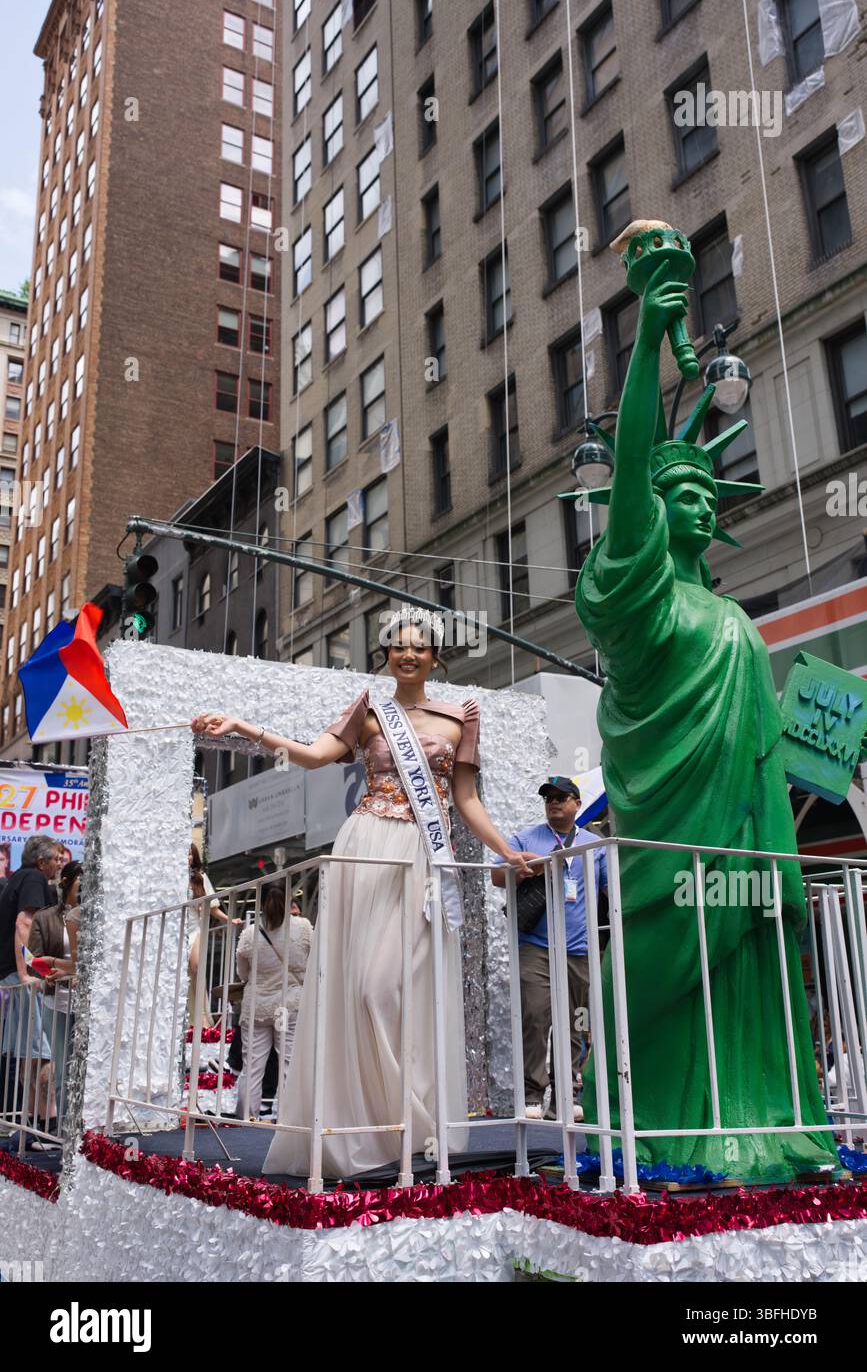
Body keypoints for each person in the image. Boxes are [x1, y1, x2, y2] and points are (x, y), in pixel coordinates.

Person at [572, 239, 841, 1181]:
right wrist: (649, 327)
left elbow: (762, 732)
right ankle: (654, 1121)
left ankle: (765, 1120)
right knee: (667, 959)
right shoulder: (639, 595)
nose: (689, 501)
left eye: (701, 493)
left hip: (752, 842)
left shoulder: (729, 612)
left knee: (755, 970)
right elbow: (640, 450)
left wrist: (801, 800)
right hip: (674, 845)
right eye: (670, 493)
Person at [192, 607, 534, 1177]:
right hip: (366, 848)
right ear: (386, 654)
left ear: (434, 655)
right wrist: (244, 728)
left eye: (419, 648)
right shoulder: (369, 709)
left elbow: (467, 800)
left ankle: (415, 1115)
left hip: (425, 855)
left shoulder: (461, 717)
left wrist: (505, 849)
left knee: (403, 985)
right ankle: (372, 1125)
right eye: (397, 646)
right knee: (360, 989)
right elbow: (312, 756)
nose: (407, 655)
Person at [492, 777, 607, 1121]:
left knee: (575, 1021)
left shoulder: (594, 843)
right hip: (536, 945)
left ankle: (567, 1094)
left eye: (561, 798)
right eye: (548, 798)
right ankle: (532, 1093)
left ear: (576, 804)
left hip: (579, 947)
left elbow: (606, 889)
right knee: (534, 1016)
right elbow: (497, 876)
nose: (553, 803)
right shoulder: (525, 839)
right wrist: (522, 868)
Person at [0, 836, 64, 1140]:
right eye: (55, 858)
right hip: (21, 978)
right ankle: (47, 1126)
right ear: (41, 862)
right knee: (43, 1052)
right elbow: (23, 924)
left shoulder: (20, 879)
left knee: (29, 1054)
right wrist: (28, 974)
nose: (59, 863)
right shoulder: (33, 879)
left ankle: (32, 1126)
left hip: (13, 977)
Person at [235, 883, 313, 1122]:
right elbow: (314, 962)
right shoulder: (303, 928)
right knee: (289, 1063)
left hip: (257, 1005)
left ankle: (246, 1118)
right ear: (290, 901)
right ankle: (289, 1120)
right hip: (289, 1004)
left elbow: (243, 974)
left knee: (253, 1066)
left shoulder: (250, 933)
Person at [29, 860, 82, 1135]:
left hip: (86, 1003)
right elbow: (33, 960)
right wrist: (50, 969)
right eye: (80, 881)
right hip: (57, 999)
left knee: (84, 1070)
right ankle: (65, 1131)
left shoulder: (96, 915)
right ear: (66, 882)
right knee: (63, 1068)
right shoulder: (46, 916)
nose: (85, 887)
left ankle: (84, 1130)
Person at [187, 843, 241, 1028]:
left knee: (195, 967)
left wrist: (230, 920)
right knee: (185, 975)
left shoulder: (200, 878)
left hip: (195, 929)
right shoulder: (170, 877)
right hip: (178, 930)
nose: (187, 858)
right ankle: (191, 1019)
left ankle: (202, 1019)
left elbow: (213, 907)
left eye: (190, 854)